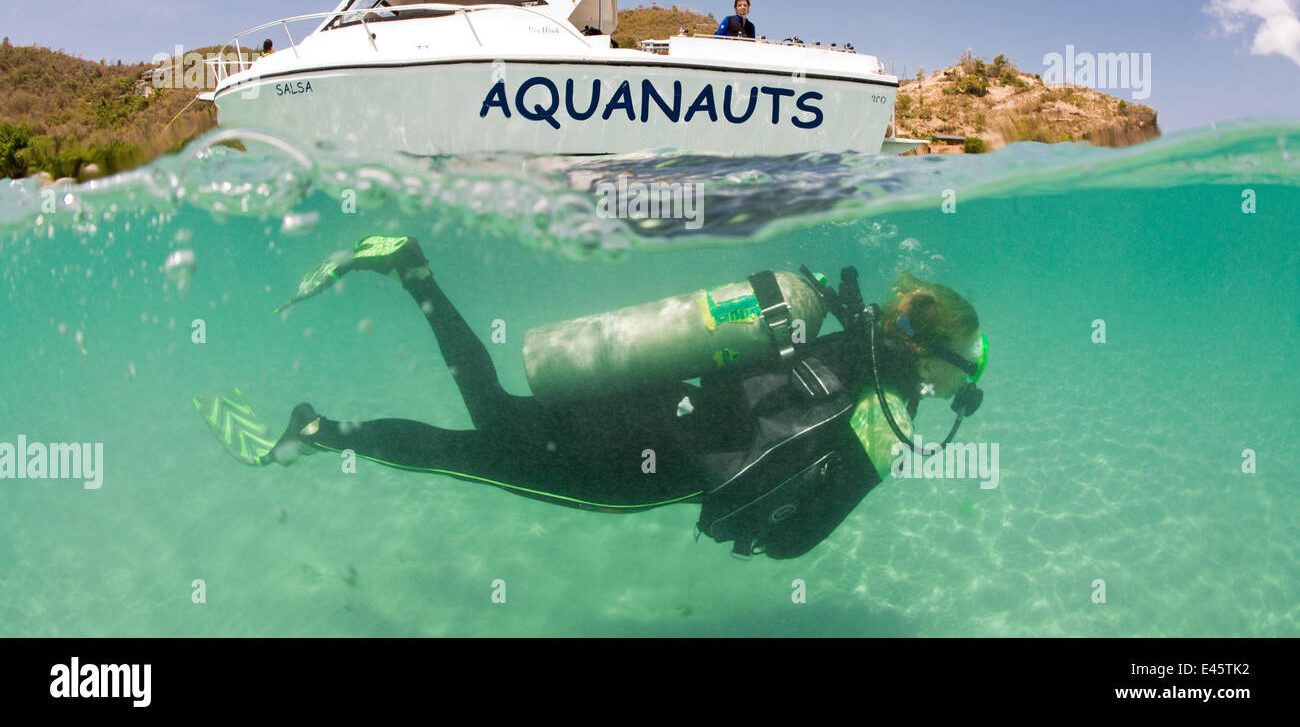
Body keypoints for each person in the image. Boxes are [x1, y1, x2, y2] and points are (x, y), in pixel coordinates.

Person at [197, 235, 987, 560]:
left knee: (492, 420)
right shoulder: (889, 412)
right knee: (472, 453)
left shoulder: (838, 326)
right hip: (647, 468)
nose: (960, 385)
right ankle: (320, 425)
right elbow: (795, 540)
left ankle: (409, 284)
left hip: (643, 395)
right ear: (935, 355)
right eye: (965, 369)